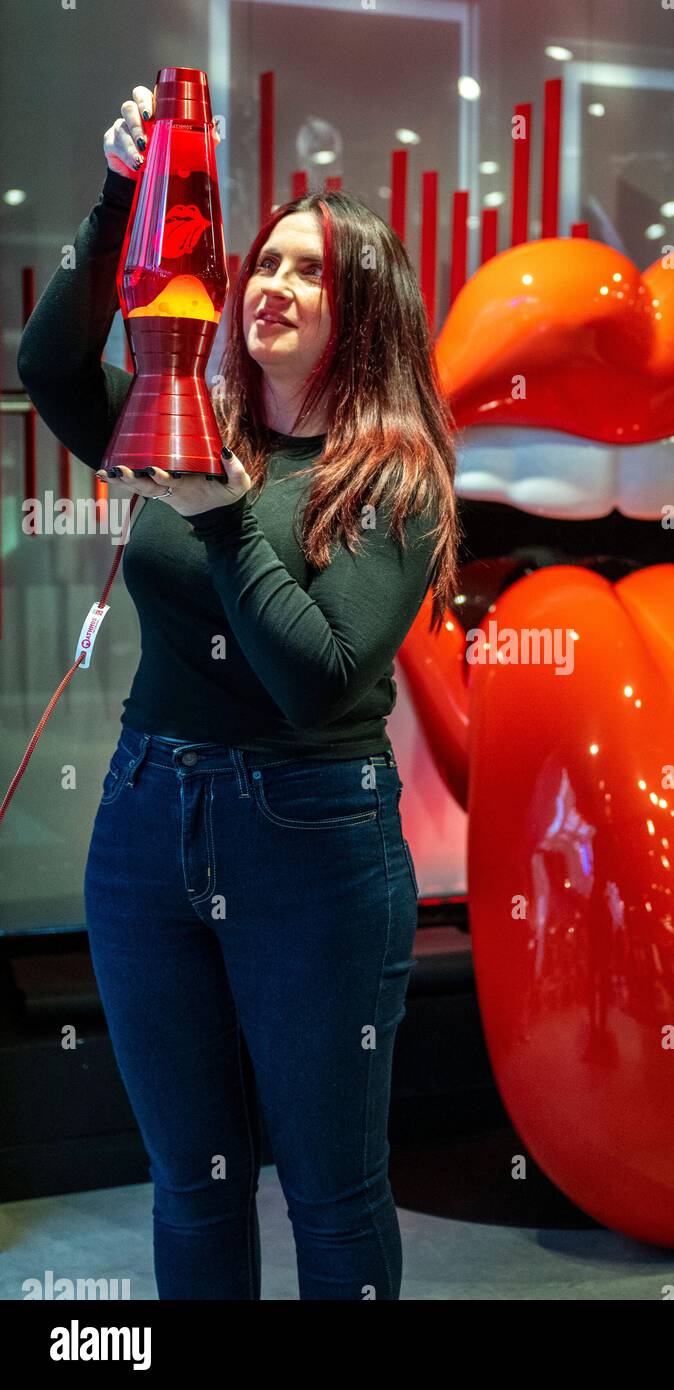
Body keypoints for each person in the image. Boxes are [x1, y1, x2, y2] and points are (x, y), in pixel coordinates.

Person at [16, 83, 461, 1301]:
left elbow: (316, 679)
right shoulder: (186, 420)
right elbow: (48, 364)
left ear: (360, 311)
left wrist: (218, 522)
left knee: (329, 1191)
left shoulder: (396, 478)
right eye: (263, 260)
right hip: (149, 820)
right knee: (194, 1183)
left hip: (312, 833)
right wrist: (120, 198)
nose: (270, 282)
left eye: (308, 273)